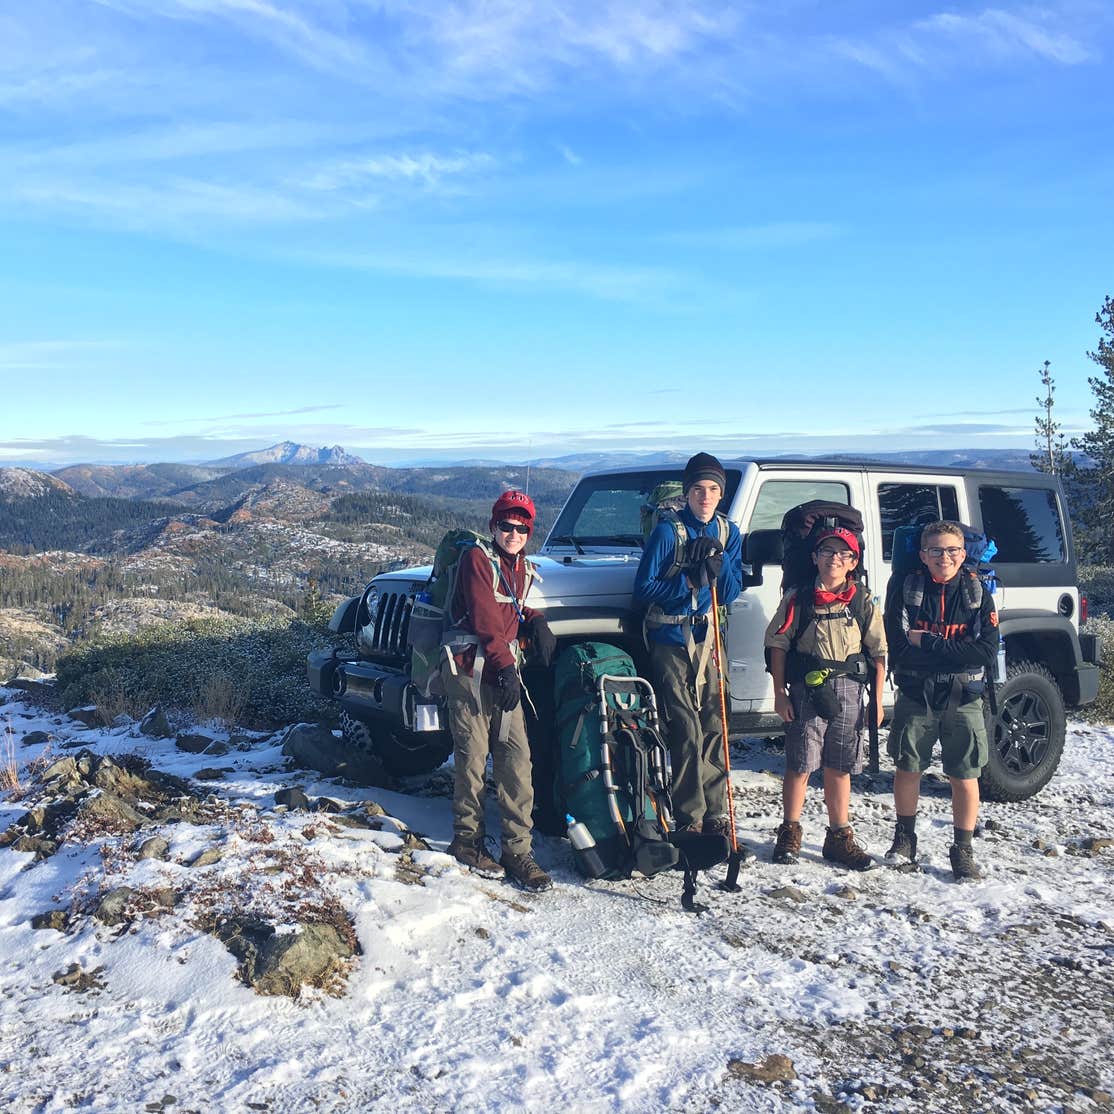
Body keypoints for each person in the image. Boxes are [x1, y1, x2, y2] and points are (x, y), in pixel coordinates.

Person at [443, 490, 557, 892]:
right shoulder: (477, 559)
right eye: (506, 526)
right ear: (493, 527)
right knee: (473, 758)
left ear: (529, 532)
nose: (514, 532)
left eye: (522, 527)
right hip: (469, 669)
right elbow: (486, 618)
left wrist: (535, 618)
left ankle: (516, 850)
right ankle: (467, 840)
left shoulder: (521, 566)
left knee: (515, 760)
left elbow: (510, 604)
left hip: (500, 669)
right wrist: (507, 670)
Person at [634, 452, 747, 845]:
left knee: (715, 726)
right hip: (670, 639)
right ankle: (690, 816)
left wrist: (720, 563)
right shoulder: (669, 533)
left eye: (713, 489)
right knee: (685, 729)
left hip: (709, 638)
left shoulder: (728, 533)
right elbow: (644, 589)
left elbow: (730, 592)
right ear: (687, 493)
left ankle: (716, 813)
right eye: (698, 488)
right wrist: (689, 582)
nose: (706, 496)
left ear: (721, 494)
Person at [883, 521, 1000, 880]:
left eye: (951, 550)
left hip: (964, 696)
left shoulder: (977, 590)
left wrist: (930, 643)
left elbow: (984, 652)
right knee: (907, 768)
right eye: (935, 550)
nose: (943, 557)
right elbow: (899, 646)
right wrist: (953, 652)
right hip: (916, 693)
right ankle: (904, 839)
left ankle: (962, 850)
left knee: (965, 775)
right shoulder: (906, 587)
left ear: (964, 554)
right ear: (922, 555)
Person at [765, 527, 886, 870]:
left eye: (843, 554)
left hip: (850, 689)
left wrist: (876, 700)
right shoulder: (798, 599)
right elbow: (778, 645)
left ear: (853, 562)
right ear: (814, 558)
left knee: (840, 765)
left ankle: (838, 837)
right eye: (827, 552)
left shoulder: (862, 601)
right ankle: (789, 833)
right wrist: (779, 693)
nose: (835, 559)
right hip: (807, 689)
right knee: (800, 763)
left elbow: (878, 652)